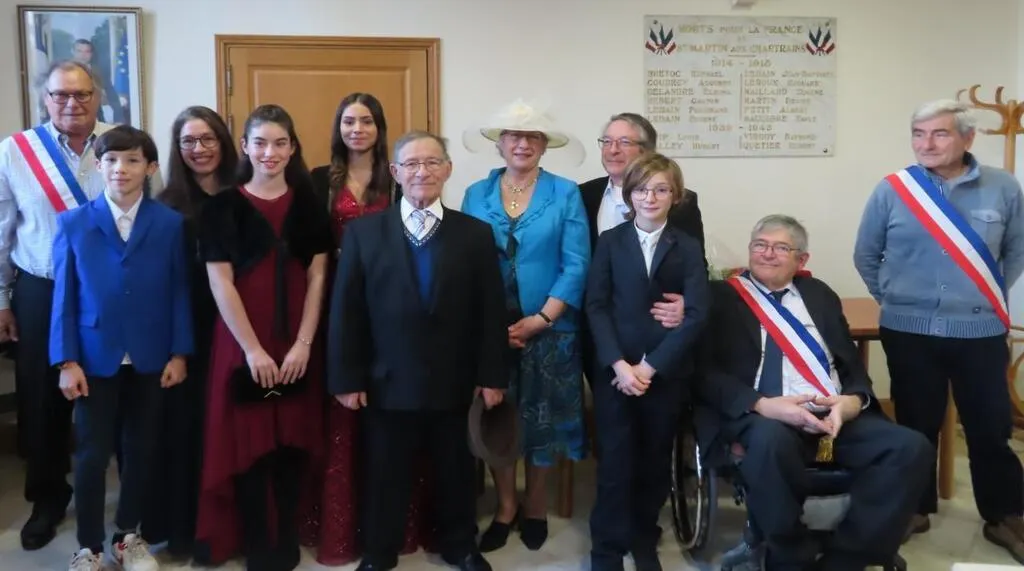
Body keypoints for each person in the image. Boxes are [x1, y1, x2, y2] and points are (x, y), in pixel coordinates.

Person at [694, 214, 933, 571]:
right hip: (764, 415)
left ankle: (847, 557)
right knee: (770, 443)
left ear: (801, 260)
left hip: (832, 414)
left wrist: (852, 401)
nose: (767, 254)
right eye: (760, 245)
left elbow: (849, 363)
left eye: (780, 247)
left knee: (910, 448)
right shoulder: (719, 297)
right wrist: (764, 405)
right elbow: (703, 373)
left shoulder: (819, 295)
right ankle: (790, 556)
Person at [0, 60, 162, 551]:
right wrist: (2, 297)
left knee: (119, 387)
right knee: (42, 396)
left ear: (98, 97)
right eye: (60, 95)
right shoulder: (16, 151)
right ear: (45, 98)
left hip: (111, 291)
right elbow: (2, 226)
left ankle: (131, 505)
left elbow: (149, 218)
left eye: (82, 94)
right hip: (40, 285)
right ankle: (48, 498)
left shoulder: (124, 143)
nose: (72, 104)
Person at [853, 99, 1024, 561]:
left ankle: (1005, 514)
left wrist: (980, 297)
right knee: (915, 425)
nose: (926, 144)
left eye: (940, 134)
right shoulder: (894, 190)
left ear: (967, 139)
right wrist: (897, 299)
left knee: (990, 426)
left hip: (980, 330)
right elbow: (866, 254)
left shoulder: (1003, 188)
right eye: (919, 134)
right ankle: (914, 508)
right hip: (909, 331)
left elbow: (1016, 251)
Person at [328, 130, 506, 571]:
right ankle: (380, 551)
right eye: (411, 164)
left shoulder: (475, 234)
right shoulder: (365, 234)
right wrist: (346, 378)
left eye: (431, 163)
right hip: (386, 379)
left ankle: (461, 546)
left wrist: (492, 375)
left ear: (447, 170)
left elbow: (490, 311)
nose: (421, 172)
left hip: (454, 378)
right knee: (385, 473)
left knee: (456, 472)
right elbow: (346, 311)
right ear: (395, 173)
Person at [194, 104, 331, 569]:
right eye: (260, 143)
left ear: (292, 148)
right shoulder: (222, 207)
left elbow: (317, 277)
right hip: (242, 344)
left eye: (280, 143)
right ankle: (257, 541)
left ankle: (286, 535)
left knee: (291, 441)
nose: (270, 153)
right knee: (249, 443)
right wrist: (252, 349)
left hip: (297, 341)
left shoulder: (310, 202)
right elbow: (220, 282)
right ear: (246, 147)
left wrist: (304, 345)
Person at [50, 125, 192, 571]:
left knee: (142, 447)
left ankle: (128, 535)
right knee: (92, 454)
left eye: (132, 160)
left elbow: (179, 292)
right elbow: (64, 299)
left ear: (150, 168)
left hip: (151, 357)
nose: (121, 169)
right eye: (111, 160)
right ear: (98, 164)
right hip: (93, 357)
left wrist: (180, 352)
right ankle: (89, 546)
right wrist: (67, 360)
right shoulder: (73, 223)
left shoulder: (170, 224)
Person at [309, 93, 434, 564]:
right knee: (344, 415)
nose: (357, 129)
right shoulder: (322, 180)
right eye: (348, 121)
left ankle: (398, 526)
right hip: (338, 306)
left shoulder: (399, 179)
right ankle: (346, 529)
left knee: (392, 418)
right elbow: (314, 246)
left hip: (391, 308)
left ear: (380, 128)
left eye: (366, 121)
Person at [461, 100, 590, 552]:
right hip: (490, 330)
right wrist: (488, 326)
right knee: (499, 416)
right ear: (499, 144)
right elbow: (466, 262)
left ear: (543, 146)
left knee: (542, 420)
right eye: (513, 136)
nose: (522, 144)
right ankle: (505, 505)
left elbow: (576, 264)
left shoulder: (565, 193)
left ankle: (535, 505)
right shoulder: (475, 194)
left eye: (532, 137)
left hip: (550, 329)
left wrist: (541, 319)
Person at [585, 153, 708, 571]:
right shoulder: (610, 242)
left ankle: (643, 537)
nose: (650, 197)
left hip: (664, 372)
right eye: (641, 189)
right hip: (616, 374)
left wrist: (650, 367)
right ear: (628, 194)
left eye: (660, 189)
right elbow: (596, 307)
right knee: (615, 461)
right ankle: (606, 546)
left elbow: (696, 315)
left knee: (655, 459)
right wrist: (619, 365)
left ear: (675, 196)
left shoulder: (688, 248)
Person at [142, 105, 238, 559]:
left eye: (207, 139)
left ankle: (234, 528)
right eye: (188, 142)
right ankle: (187, 531)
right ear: (177, 150)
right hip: (187, 332)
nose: (199, 149)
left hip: (239, 328)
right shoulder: (164, 206)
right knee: (185, 435)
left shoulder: (246, 193)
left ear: (223, 141)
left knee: (234, 431)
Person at [577, 113, 692, 386]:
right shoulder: (582, 195)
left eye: (624, 141)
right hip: (601, 334)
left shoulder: (681, 201)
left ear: (646, 150)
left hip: (658, 339)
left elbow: (694, 264)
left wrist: (688, 303)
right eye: (607, 141)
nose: (612, 149)